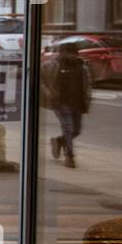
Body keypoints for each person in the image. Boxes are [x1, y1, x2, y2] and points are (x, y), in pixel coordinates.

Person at [41, 40, 92, 169]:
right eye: (66, 53)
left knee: (76, 130)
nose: (70, 56)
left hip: (78, 103)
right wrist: (48, 92)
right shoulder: (51, 65)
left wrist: (88, 99)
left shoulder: (82, 67)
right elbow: (39, 79)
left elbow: (87, 85)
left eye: (73, 53)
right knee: (68, 128)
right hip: (61, 102)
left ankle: (59, 141)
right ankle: (69, 156)